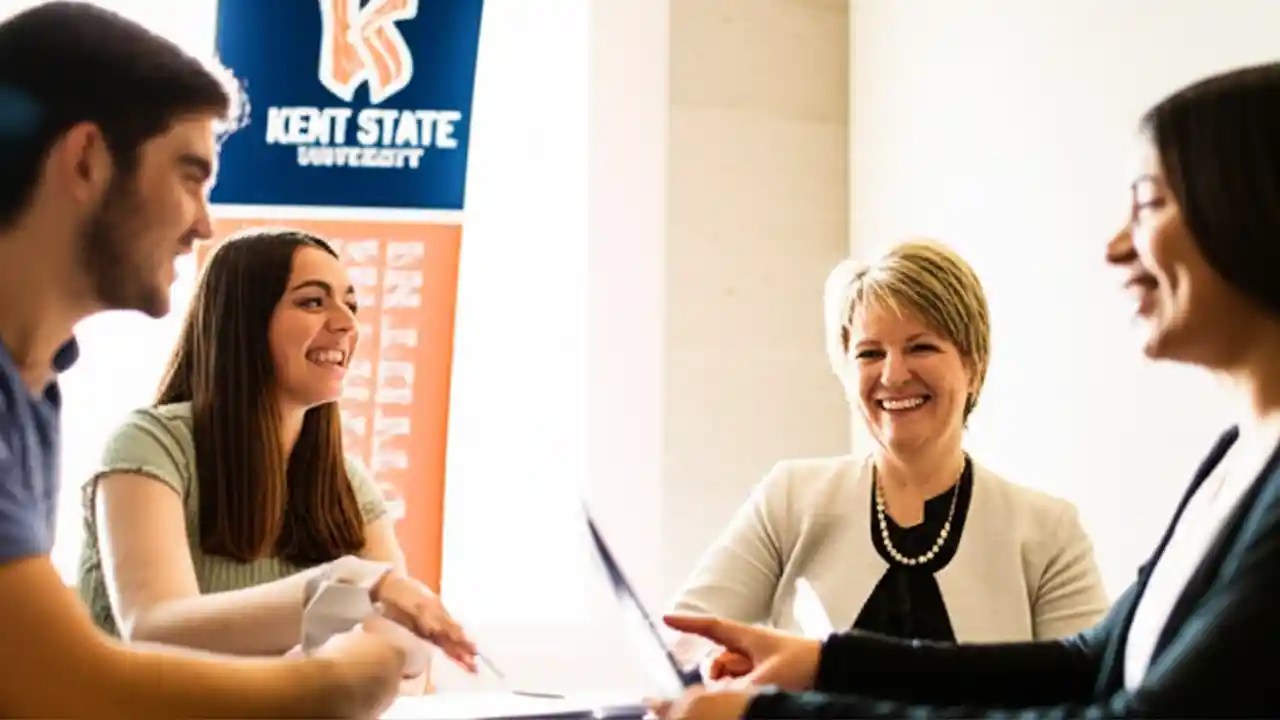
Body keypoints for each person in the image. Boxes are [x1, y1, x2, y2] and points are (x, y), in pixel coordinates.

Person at [654, 60, 1280, 719]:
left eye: (1149, 204)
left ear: (1253, 209)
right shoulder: (1234, 458)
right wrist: (823, 661)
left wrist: (775, 714)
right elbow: (1089, 662)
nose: (1115, 248)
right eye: (869, 352)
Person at [0, 2, 412, 716]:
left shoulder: (32, 391)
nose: (204, 223)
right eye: (190, 176)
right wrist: (330, 683)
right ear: (87, 160)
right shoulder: (143, 440)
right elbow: (46, 679)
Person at [76, 228, 476, 689]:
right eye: (312, 302)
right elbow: (153, 625)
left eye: (351, 304)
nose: (346, 323)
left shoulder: (348, 484)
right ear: (242, 322)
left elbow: (405, 663)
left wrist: (401, 644)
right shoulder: (150, 445)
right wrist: (350, 586)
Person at [670, 240, 1108, 661]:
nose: (893, 375)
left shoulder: (1050, 533)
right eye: (869, 353)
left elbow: (1090, 693)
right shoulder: (789, 499)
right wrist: (724, 668)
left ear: (973, 367)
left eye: (921, 347)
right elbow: (685, 647)